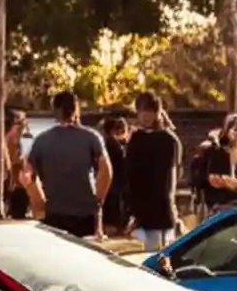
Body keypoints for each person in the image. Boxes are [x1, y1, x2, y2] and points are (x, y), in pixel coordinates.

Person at [23, 91, 113, 239]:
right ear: (76, 108)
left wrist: (39, 203)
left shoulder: (41, 141)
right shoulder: (91, 138)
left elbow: (27, 175)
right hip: (85, 214)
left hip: (54, 212)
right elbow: (106, 171)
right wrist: (97, 200)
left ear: (55, 110)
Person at [125, 92, 182, 251]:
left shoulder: (168, 139)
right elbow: (130, 174)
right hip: (143, 206)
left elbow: (174, 173)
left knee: (165, 252)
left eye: (149, 111)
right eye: (142, 111)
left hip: (164, 204)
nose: (145, 116)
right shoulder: (136, 139)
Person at [100, 116, 130, 234]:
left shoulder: (103, 144)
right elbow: (123, 167)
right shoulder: (115, 146)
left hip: (107, 186)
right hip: (115, 188)